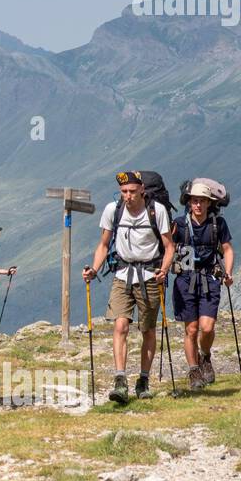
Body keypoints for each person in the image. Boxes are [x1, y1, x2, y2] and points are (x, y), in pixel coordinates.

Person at [82, 171, 173, 404]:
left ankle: (143, 381)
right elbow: (103, 245)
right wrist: (94, 269)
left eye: (132, 191)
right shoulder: (113, 210)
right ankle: (120, 381)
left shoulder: (157, 211)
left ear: (142, 189)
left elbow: (169, 246)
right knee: (120, 325)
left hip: (150, 276)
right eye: (124, 192)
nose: (128, 196)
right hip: (122, 275)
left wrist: (163, 269)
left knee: (148, 330)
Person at [172, 181, 235, 390]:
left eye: (202, 201)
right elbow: (168, 247)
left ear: (209, 203)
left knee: (207, 328)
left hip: (209, 279)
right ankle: (194, 371)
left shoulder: (218, 225)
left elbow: (227, 250)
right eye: (194, 201)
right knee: (191, 329)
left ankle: (205, 356)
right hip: (185, 280)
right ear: (189, 202)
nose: (197, 205)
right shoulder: (179, 225)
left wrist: (228, 272)